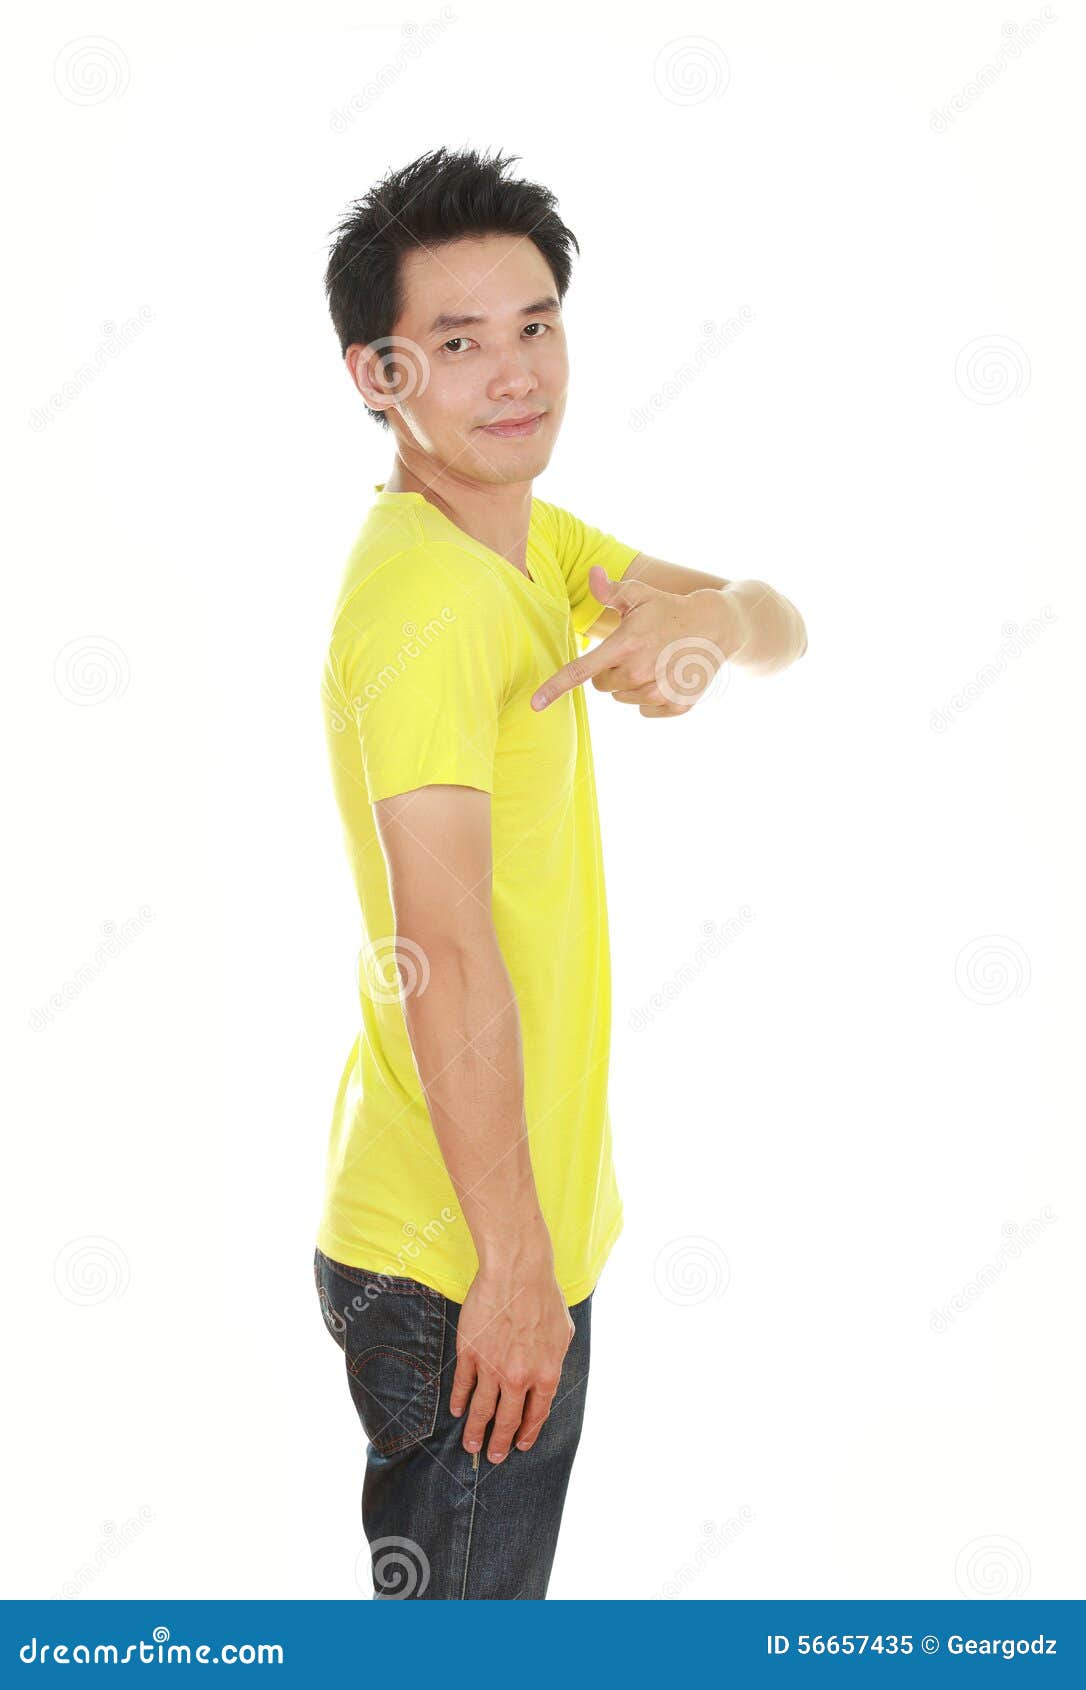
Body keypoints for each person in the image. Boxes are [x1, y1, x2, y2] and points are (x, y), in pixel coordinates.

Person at [313, 145, 807, 1600]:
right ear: (379, 375)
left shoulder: (524, 543)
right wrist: (514, 1270)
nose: (514, 372)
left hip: (504, 1229)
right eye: (456, 343)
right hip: (459, 1257)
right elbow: (445, 948)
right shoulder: (426, 601)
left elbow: (784, 619)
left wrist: (706, 622)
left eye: (535, 325)